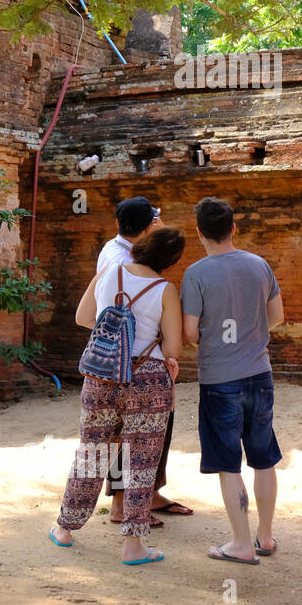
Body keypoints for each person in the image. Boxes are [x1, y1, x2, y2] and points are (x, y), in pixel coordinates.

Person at [50, 227, 186, 565]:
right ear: (170, 261)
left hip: (103, 375)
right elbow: (173, 347)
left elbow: (84, 318)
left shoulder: (109, 273)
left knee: (93, 453)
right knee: (141, 461)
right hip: (147, 381)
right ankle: (133, 546)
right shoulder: (165, 289)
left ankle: (65, 529)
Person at [181, 197, 285, 566]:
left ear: (199, 233)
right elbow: (276, 317)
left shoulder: (195, 274)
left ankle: (241, 543)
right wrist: (249, 336)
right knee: (264, 457)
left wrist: (213, 338)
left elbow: (191, 332)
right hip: (260, 375)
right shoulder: (259, 265)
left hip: (220, 381)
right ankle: (266, 537)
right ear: (233, 228)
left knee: (228, 463)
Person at [97, 196, 194, 526]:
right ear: (150, 226)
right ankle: (122, 503)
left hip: (136, 361)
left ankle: (148, 492)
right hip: (127, 363)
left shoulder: (127, 257)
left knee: (152, 430)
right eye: (157, 221)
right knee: (128, 434)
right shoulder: (119, 262)